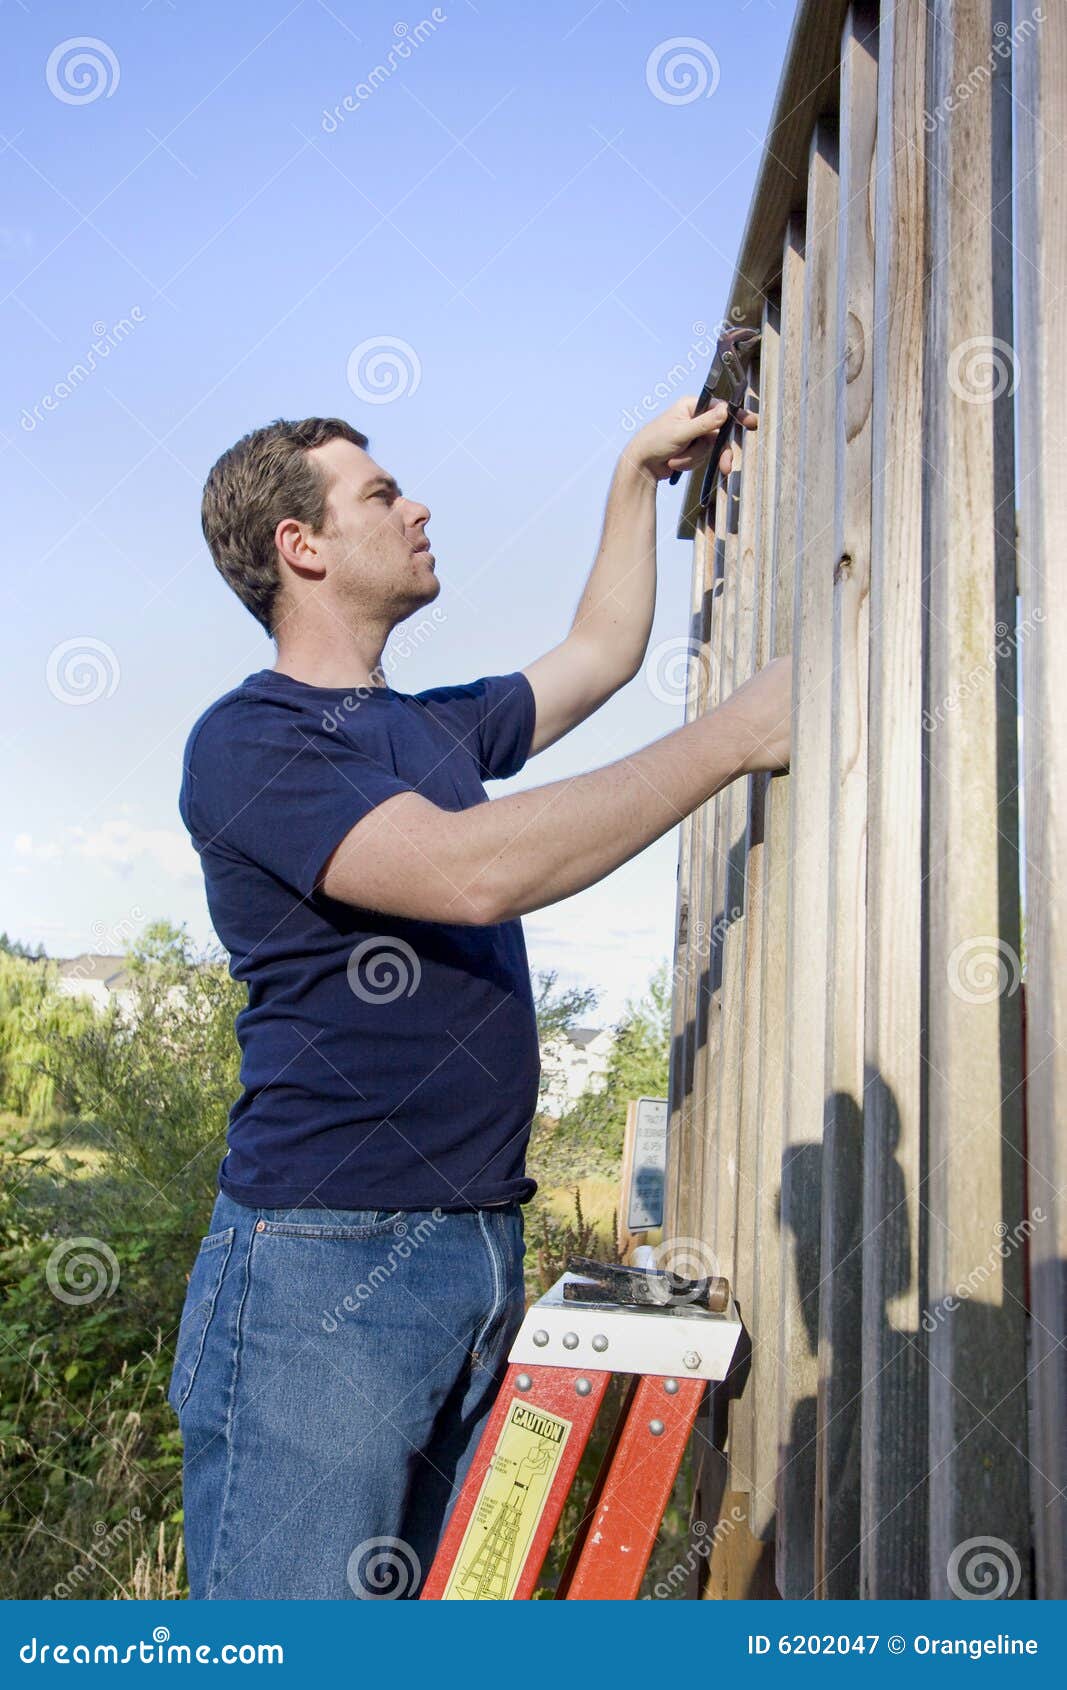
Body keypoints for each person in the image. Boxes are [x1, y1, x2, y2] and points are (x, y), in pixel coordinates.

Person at [170, 398, 791, 1599]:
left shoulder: (430, 727)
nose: (418, 507)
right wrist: (730, 738)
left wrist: (631, 478)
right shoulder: (251, 742)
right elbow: (470, 870)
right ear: (301, 546)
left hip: (474, 1251)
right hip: (319, 1270)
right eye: (379, 493)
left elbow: (599, 654)